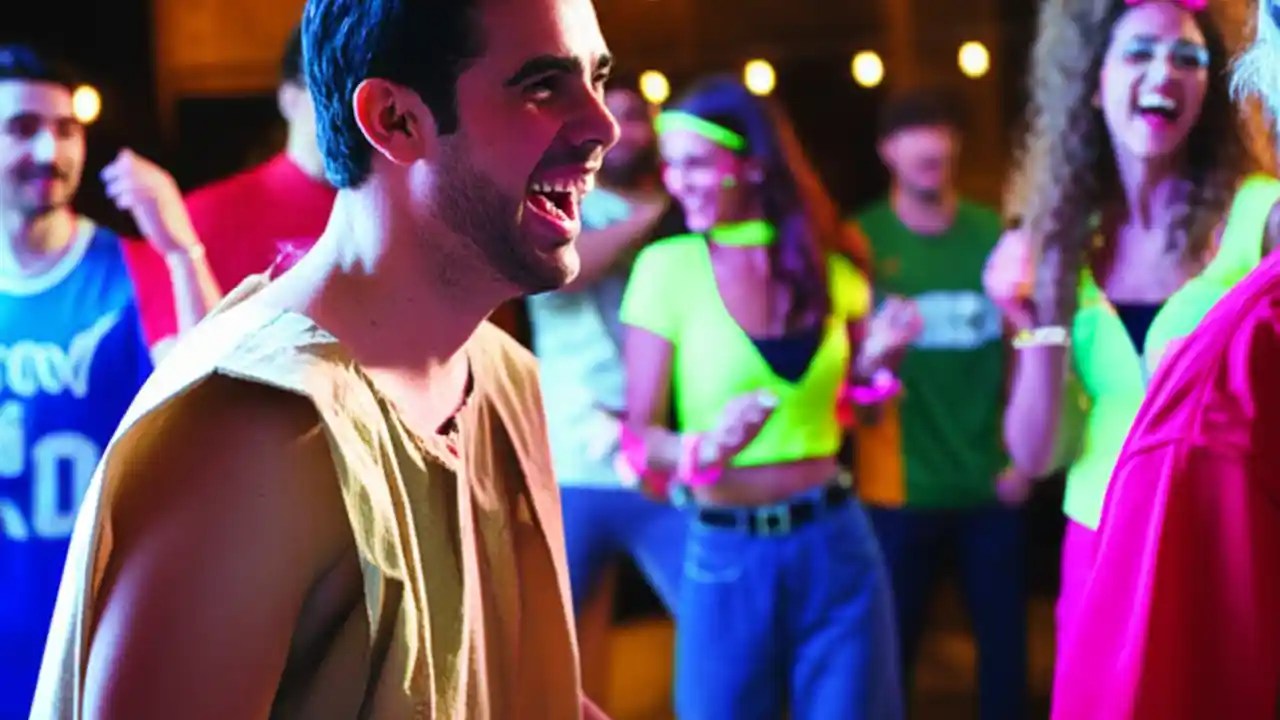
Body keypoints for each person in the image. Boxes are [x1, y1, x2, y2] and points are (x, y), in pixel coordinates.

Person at [31, 0, 618, 715]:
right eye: (543, 85)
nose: (603, 125)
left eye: (597, 77)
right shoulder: (255, 435)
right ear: (395, 120)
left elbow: (514, 687)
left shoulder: (503, 375)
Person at [986, 0, 1277, 666]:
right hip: (1100, 546)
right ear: (1093, 80)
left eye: (1188, 58)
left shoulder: (1261, 215)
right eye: (1139, 53)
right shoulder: (1055, 242)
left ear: (1210, 87)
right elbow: (1036, 455)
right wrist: (1040, 322)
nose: (1164, 72)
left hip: (1227, 545)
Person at [620, 75, 900, 719]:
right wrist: (703, 444)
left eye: (694, 162)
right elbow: (640, 438)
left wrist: (876, 370)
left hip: (837, 544)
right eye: (671, 165)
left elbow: (864, 415)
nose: (675, 180)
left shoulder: (834, 270)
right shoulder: (667, 270)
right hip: (727, 552)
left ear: (749, 164)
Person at [0, 45, 218, 716]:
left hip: (97, 634)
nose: (51, 150)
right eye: (23, 128)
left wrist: (182, 248)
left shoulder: (130, 266)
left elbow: (222, 405)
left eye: (67, 130)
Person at [850, 88, 1026, 720]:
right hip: (898, 489)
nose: (930, 142)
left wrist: (1021, 460)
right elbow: (843, 372)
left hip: (990, 482)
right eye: (912, 130)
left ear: (956, 143)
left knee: (1007, 660)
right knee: (888, 658)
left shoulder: (992, 234)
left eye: (941, 128)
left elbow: (1025, 350)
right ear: (887, 151)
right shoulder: (859, 241)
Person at [524, 83, 684, 690]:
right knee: (558, 649)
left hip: (663, 459)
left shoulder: (685, 216)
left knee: (715, 618)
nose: (626, 132)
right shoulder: (553, 199)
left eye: (638, 119)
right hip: (571, 464)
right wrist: (651, 217)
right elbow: (558, 272)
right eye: (613, 118)